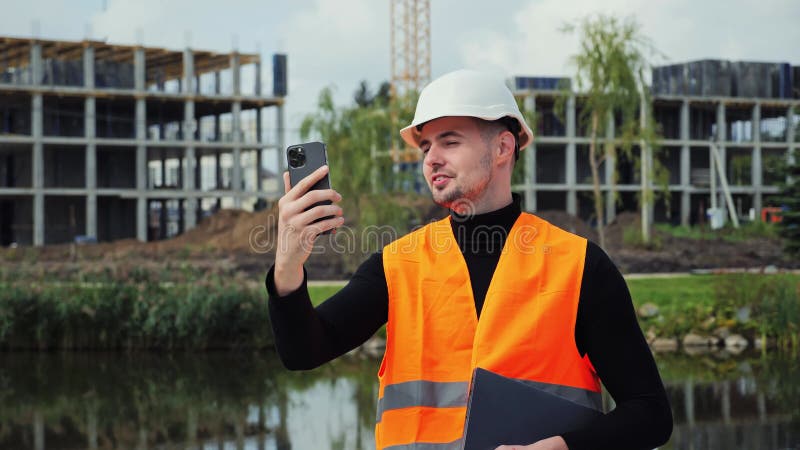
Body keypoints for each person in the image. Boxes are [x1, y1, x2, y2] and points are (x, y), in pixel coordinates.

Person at [266, 69, 673, 450]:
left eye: (450, 141)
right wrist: (287, 265)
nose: (431, 158)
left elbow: (650, 414)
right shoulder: (397, 264)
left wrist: (564, 447)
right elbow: (303, 352)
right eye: (426, 146)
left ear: (502, 147)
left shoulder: (580, 266)